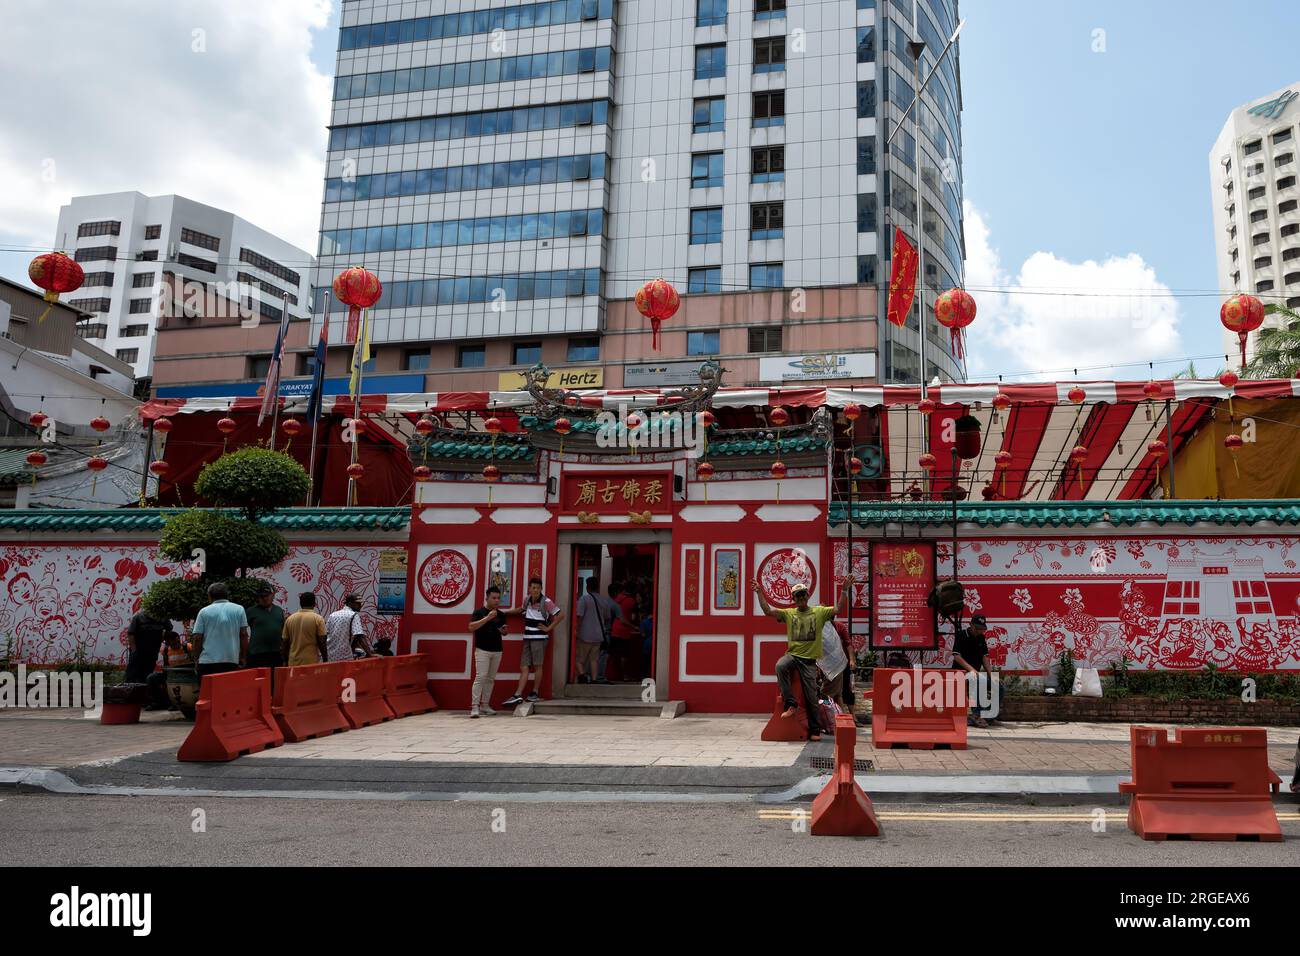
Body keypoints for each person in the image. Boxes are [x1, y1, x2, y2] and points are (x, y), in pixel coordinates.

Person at [753, 575, 852, 742]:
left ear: (807, 596)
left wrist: (844, 590)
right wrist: (759, 593)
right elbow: (768, 611)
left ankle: (815, 729)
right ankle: (791, 704)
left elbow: (838, 609)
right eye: (797, 596)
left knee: (812, 697)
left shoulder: (818, 612)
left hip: (809, 662)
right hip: (793, 656)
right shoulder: (789, 613)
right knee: (780, 666)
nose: (801, 598)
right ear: (793, 599)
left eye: (803, 594)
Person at [502, 578, 562, 706]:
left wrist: (548, 628)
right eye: (533, 587)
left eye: (537, 588)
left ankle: (534, 692)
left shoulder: (546, 601)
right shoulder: (527, 600)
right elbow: (520, 610)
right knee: (524, 666)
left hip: (540, 638)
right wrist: (504, 613)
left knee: (538, 666)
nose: (535, 590)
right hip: (528, 637)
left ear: (541, 589)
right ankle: (518, 694)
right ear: (529, 588)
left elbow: (560, 615)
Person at [467, 585, 522, 717]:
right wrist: (487, 618)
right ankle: (475, 706)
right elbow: (470, 627)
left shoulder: (501, 614)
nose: (496, 600)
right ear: (487, 598)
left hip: (497, 650)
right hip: (482, 649)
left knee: (490, 679)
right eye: (494, 598)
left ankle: (485, 705)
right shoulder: (479, 612)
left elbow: (504, 632)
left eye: (498, 598)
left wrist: (504, 632)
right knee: (481, 677)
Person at [190, 582, 249, 681]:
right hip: (231, 661)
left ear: (210, 596)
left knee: (208, 695)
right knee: (228, 695)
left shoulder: (204, 612)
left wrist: (196, 659)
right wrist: (243, 657)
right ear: (227, 595)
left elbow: (197, 638)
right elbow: (243, 634)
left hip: (207, 662)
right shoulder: (239, 609)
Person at [952, 613, 995, 728]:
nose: (980, 631)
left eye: (982, 629)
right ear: (971, 625)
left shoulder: (981, 638)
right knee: (978, 680)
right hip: (961, 673)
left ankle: (988, 715)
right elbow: (957, 656)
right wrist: (972, 670)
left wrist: (992, 676)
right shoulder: (961, 635)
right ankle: (976, 715)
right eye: (978, 628)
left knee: (998, 685)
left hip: (975, 674)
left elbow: (984, 657)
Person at [574, 577, 611, 684]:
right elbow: (607, 617)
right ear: (598, 586)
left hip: (585, 634)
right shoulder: (604, 600)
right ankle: (594, 679)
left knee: (579, 659)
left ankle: (582, 675)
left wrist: (577, 629)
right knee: (594, 659)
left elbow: (579, 616)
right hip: (599, 635)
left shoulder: (584, 599)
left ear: (587, 586)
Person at [146, 631, 192, 710]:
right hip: (172, 674)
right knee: (151, 678)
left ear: (178, 640)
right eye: (170, 644)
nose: (173, 645)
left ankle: (176, 703)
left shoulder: (188, 647)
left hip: (186, 674)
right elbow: (166, 665)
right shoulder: (166, 650)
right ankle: (157, 702)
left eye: (174, 643)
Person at [245, 584, 286, 672]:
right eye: (261, 596)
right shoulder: (251, 611)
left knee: (276, 680)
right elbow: (242, 630)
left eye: (266, 595)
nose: (264, 598)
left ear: (272, 595)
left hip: (276, 652)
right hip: (257, 653)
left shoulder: (278, 610)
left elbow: (283, 630)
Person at [124, 607, 171, 685]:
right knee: (133, 674)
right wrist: (134, 650)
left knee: (147, 673)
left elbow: (169, 629)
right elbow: (130, 634)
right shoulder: (138, 617)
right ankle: (130, 691)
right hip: (138, 650)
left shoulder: (162, 618)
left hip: (153, 650)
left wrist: (162, 639)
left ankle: (144, 691)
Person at [282, 592, 328, 666]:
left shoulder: (289, 619)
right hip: (311, 663)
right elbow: (322, 641)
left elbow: (285, 642)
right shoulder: (318, 619)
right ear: (314, 603)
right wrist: (325, 659)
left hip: (293, 662)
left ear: (300, 603)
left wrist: (285, 661)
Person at [325, 593, 370, 662]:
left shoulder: (333, 615)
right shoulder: (353, 615)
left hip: (330, 655)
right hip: (344, 657)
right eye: (357, 603)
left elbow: (326, 634)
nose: (360, 605)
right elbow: (359, 636)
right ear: (349, 603)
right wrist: (370, 653)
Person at [608, 581, 639, 682]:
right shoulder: (631, 601)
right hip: (624, 631)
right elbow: (633, 617)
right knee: (624, 655)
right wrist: (634, 626)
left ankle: (610, 675)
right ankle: (625, 676)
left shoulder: (615, 599)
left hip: (613, 629)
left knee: (612, 654)